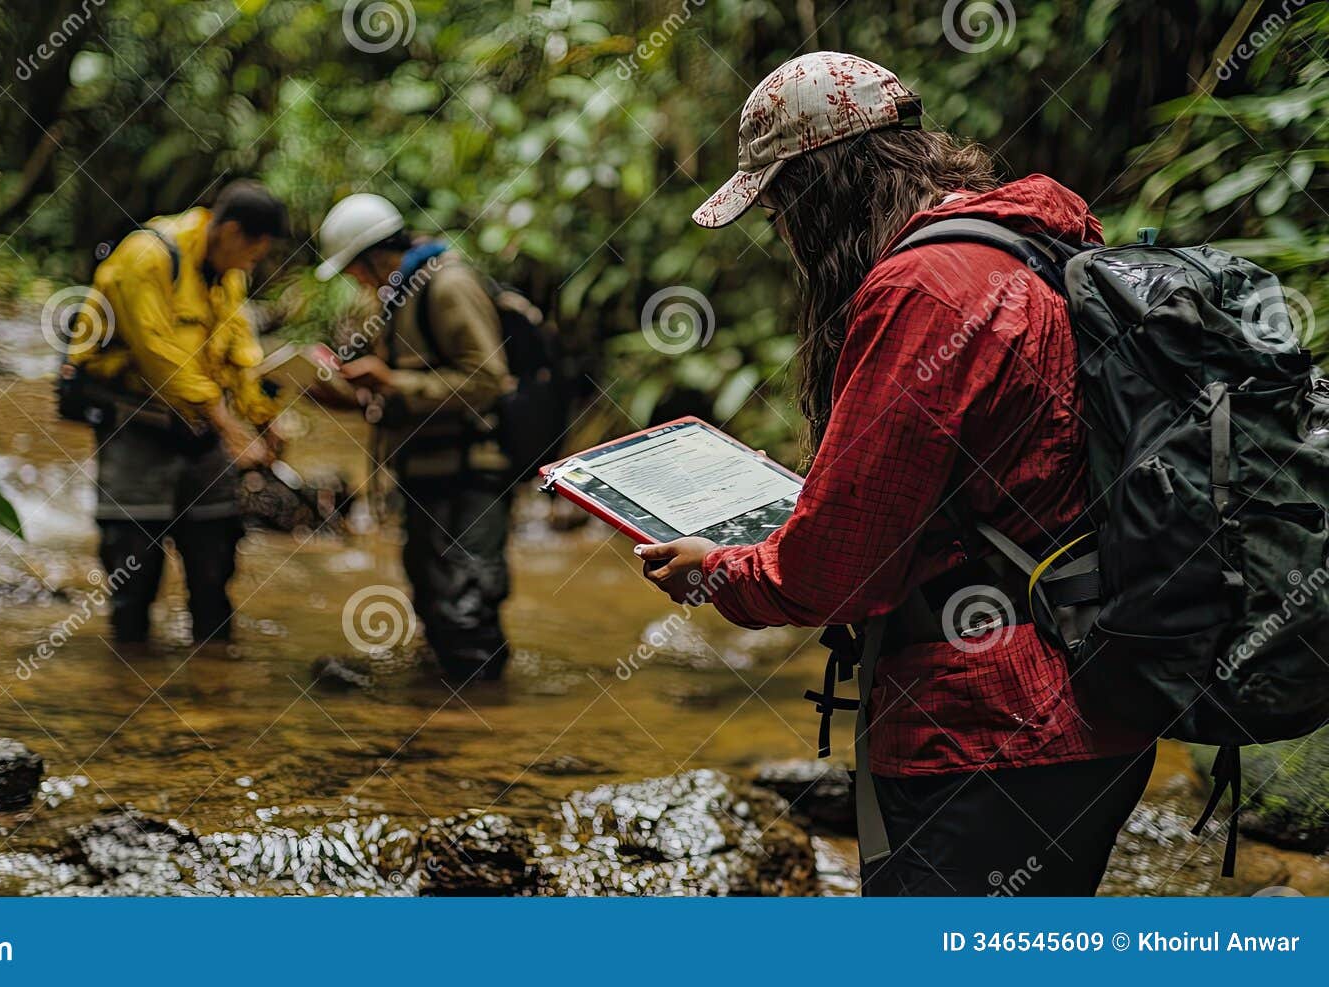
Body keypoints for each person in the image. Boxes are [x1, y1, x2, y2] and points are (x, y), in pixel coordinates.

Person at [635, 52, 1155, 895]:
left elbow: (838, 574)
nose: (783, 235)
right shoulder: (1028, 242)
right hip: (1097, 704)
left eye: (780, 208)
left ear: (821, 187)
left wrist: (717, 569)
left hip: (986, 729)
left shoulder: (922, 287)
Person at [67, 180, 287, 644]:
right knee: (133, 578)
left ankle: (213, 692)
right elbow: (158, 356)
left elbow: (239, 355)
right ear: (229, 230)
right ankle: (129, 692)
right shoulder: (145, 258)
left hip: (200, 435)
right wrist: (230, 427)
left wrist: (264, 420)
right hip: (134, 429)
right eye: (254, 249)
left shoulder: (228, 273)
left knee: (214, 568)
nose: (255, 261)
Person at [313, 193, 514, 683]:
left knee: (467, 603)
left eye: (354, 271)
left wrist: (391, 382)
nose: (356, 282)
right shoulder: (400, 298)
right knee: (432, 595)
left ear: (376, 256)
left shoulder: (447, 286)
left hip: (469, 475)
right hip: (426, 473)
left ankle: (482, 730)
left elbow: (488, 379)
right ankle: (446, 719)